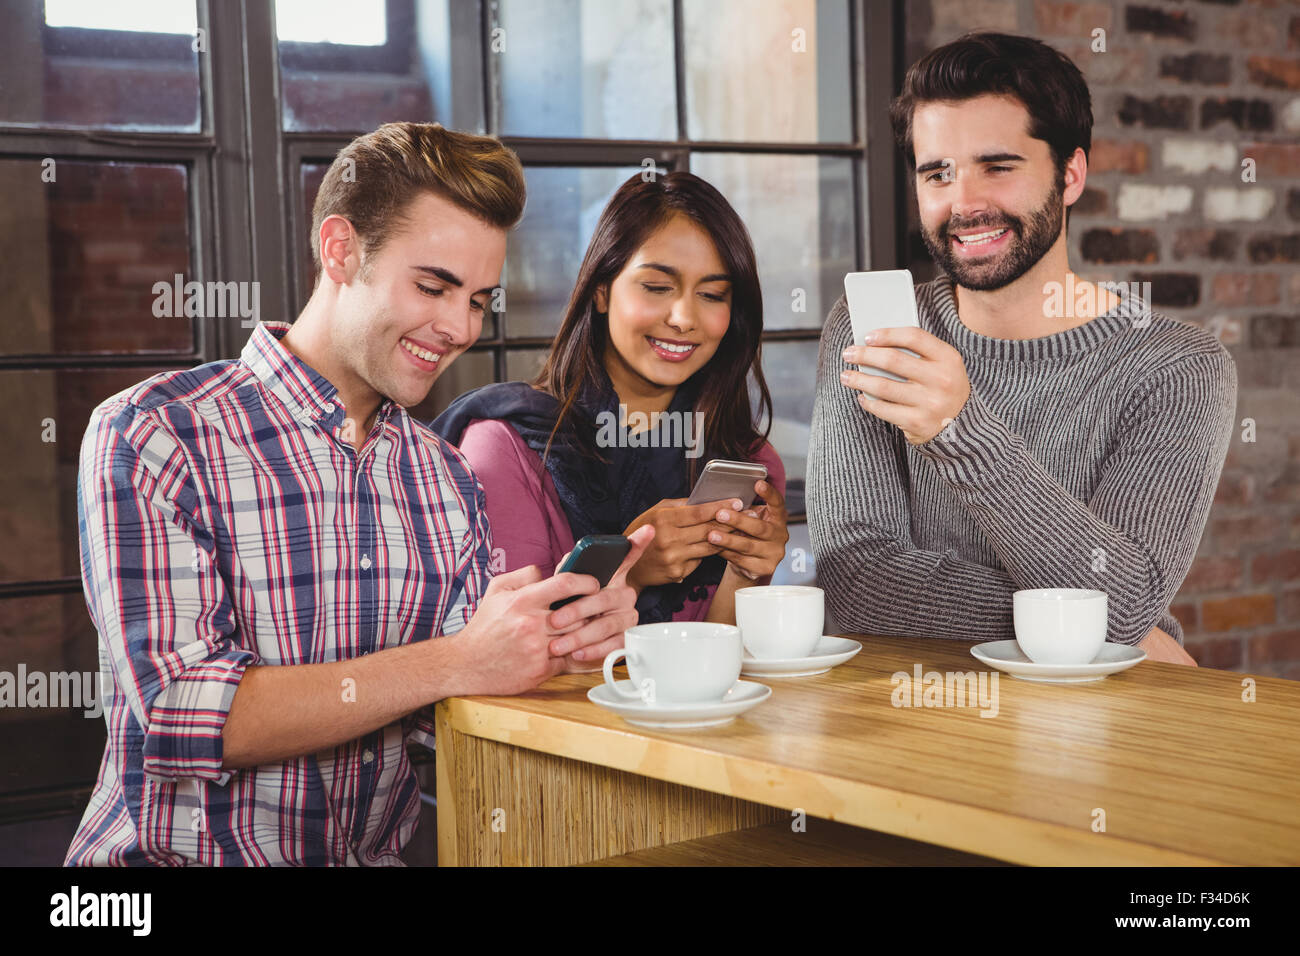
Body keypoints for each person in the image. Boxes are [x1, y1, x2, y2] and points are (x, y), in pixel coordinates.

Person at [66, 122, 652, 866]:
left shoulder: (443, 477)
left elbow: (449, 710)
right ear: (340, 249)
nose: (458, 326)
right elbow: (186, 713)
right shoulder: (156, 434)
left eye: (478, 299)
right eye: (433, 286)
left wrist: (560, 644)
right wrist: (457, 660)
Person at [808, 33, 1236, 665]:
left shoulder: (1176, 367)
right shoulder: (871, 332)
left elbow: (1118, 606)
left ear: (1070, 174)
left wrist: (959, 428)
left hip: (1100, 722)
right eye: (938, 173)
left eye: (998, 166)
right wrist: (1091, 625)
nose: (965, 203)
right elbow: (854, 586)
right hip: (917, 717)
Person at [433, 171, 789, 627]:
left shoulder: (749, 463)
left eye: (712, 294)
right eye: (657, 287)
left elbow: (722, 665)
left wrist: (748, 570)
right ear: (602, 290)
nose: (683, 318)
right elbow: (510, 654)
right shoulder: (505, 448)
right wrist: (631, 571)